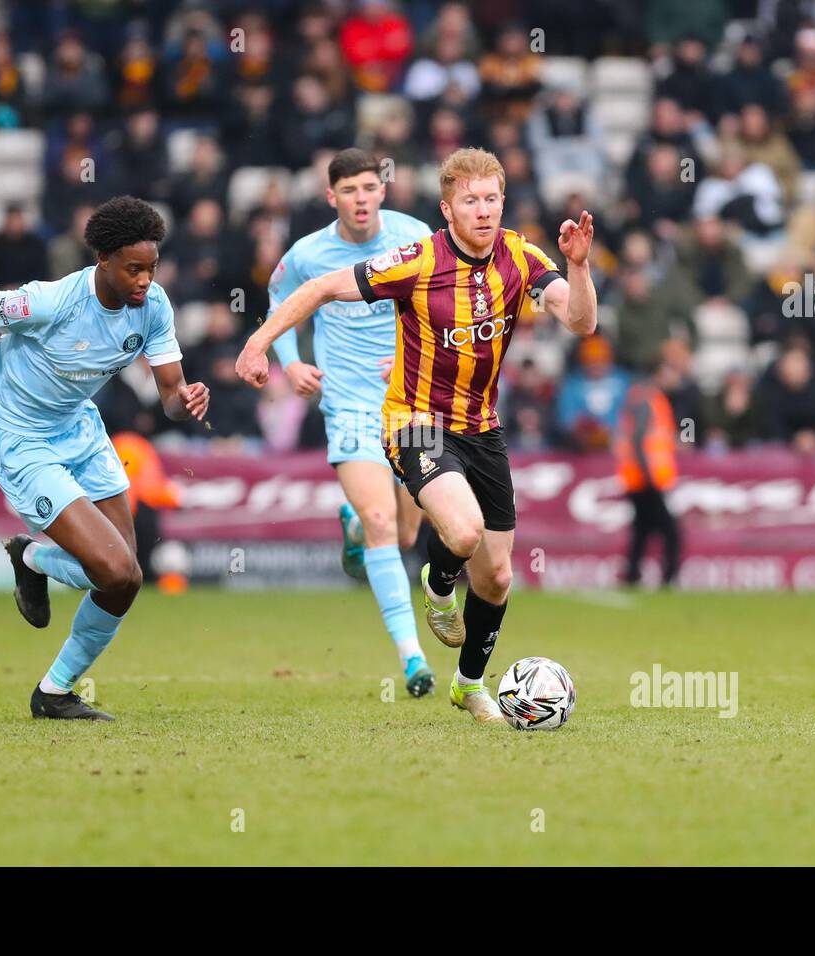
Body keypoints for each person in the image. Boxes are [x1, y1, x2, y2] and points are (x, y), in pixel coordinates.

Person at [236, 148, 597, 723]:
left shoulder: (522, 256)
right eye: (470, 201)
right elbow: (322, 288)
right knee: (462, 530)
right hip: (415, 421)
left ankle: (468, 684)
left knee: (499, 575)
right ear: (447, 209)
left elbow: (580, 321)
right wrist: (260, 345)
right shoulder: (417, 259)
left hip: (483, 429)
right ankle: (436, 582)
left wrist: (578, 267)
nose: (483, 211)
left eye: (491, 199)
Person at [0, 197, 210, 721]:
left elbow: (170, 395)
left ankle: (54, 692)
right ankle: (31, 559)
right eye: (133, 268)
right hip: (22, 438)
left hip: (81, 429)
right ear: (103, 261)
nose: (144, 280)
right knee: (113, 567)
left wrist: (184, 404)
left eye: (152, 268)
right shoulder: (48, 302)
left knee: (126, 579)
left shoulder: (155, 307)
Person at [268, 148, 436, 697]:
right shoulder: (308, 254)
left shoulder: (416, 238)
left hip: (412, 402)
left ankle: (353, 524)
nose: (361, 199)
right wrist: (290, 361)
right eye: (350, 191)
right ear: (331, 197)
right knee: (386, 523)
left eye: (369, 188)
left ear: (382, 191)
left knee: (410, 531)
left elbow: (445, 302)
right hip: (350, 405)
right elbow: (278, 301)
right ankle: (413, 659)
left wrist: (421, 353)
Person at [617, 373, 681, 586]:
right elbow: (638, 440)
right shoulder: (648, 400)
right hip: (646, 479)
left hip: (638, 479)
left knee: (642, 531)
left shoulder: (641, 399)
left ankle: (633, 575)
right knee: (671, 532)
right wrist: (649, 475)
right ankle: (669, 577)